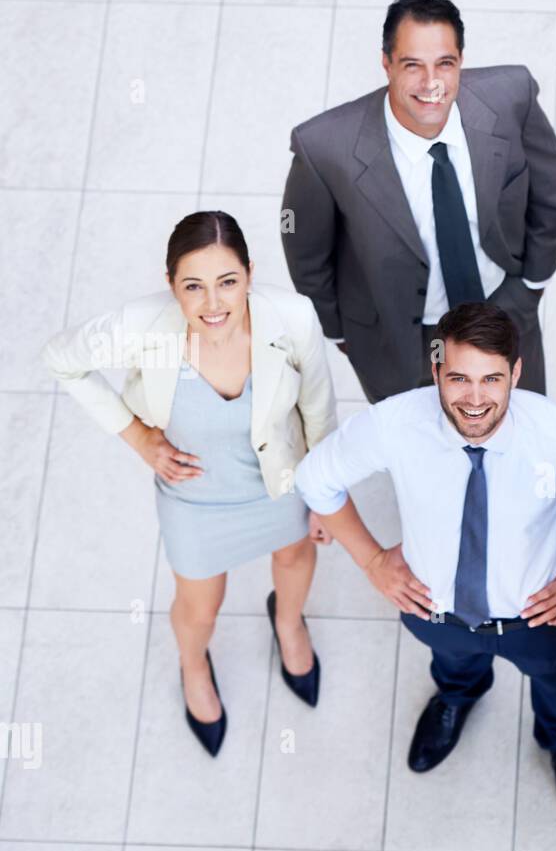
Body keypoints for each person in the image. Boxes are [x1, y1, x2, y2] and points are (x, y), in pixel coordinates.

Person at [293, 303, 556, 824]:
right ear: (436, 372)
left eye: (491, 379)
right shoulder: (396, 425)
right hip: (434, 608)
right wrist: (373, 560)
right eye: (459, 379)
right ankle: (458, 697)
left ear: (515, 374)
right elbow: (315, 479)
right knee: (453, 667)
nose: (475, 400)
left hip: (537, 617)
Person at [41, 211, 337, 756]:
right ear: (171, 284)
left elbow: (318, 409)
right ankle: (193, 664)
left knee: (296, 556)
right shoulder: (141, 326)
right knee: (201, 605)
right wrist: (138, 437)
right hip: (194, 499)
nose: (213, 303)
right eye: (193, 286)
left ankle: (289, 622)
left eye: (228, 282)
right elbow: (61, 359)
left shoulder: (292, 318)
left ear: (250, 274)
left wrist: (325, 497)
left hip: (281, 480)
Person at [281, 0, 556, 403]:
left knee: (522, 418)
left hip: (503, 309)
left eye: (444, 64)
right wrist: (342, 332)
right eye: (412, 65)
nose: (431, 83)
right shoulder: (324, 148)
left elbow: (549, 195)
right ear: (387, 64)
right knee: (419, 434)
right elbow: (306, 252)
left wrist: (529, 289)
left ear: (461, 61)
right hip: (399, 341)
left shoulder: (512, 97)